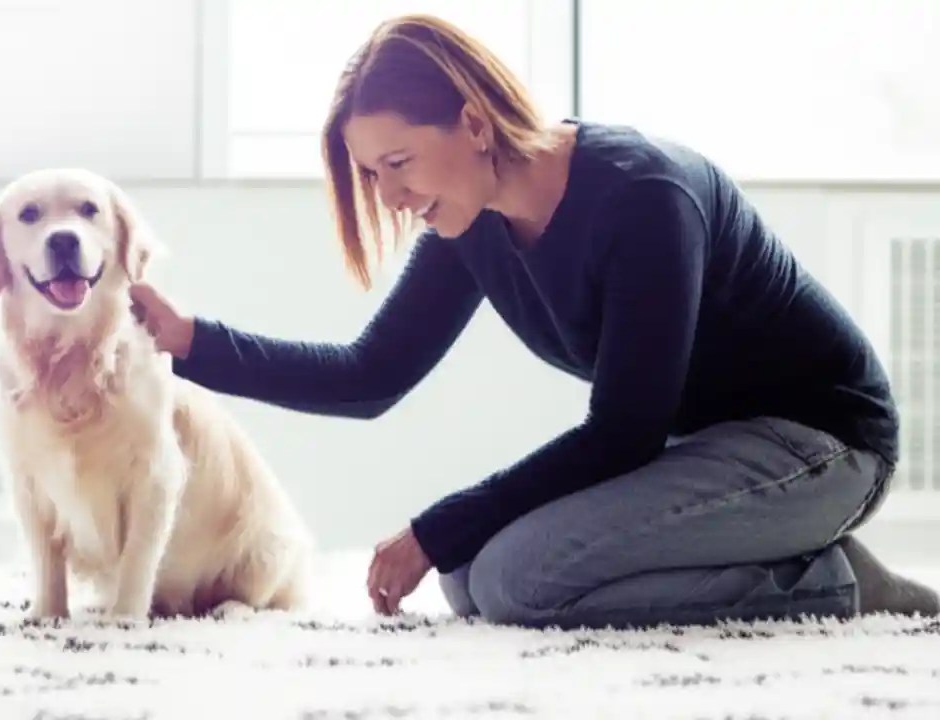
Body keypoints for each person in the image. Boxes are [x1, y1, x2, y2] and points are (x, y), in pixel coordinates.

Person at [129, 13, 939, 628]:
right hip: (707, 454)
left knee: (515, 579)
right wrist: (188, 341)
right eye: (372, 175)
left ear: (475, 123)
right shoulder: (472, 222)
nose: (389, 198)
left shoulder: (645, 199)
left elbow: (624, 430)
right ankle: (774, 551)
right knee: (467, 574)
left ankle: (833, 581)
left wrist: (433, 524)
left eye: (398, 164)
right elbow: (371, 374)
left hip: (821, 447)